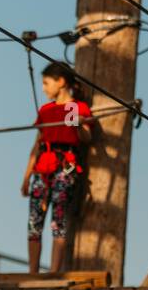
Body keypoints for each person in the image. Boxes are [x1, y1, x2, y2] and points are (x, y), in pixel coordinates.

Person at [21, 62, 95, 272]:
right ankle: (33, 270)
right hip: (43, 167)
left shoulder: (74, 108)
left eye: (46, 83)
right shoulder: (46, 110)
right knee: (34, 221)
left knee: (58, 219)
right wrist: (26, 177)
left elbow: (85, 138)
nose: (44, 88)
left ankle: (54, 270)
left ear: (61, 82)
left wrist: (79, 124)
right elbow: (37, 144)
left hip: (65, 167)